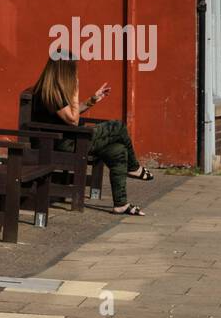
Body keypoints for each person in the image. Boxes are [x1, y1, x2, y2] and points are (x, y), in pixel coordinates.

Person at [31, 53, 154, 216]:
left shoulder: (55, 90)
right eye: (74, 68)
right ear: (65, 70)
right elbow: (74, 120)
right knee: (118, 126)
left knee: (117, 150)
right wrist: (75, 90)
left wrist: (92, 100)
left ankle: (121, 204)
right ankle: (134, 168)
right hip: (61, 144)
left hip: (70, 139)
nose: (76, 72)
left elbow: (71, 115)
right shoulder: (51, 93)